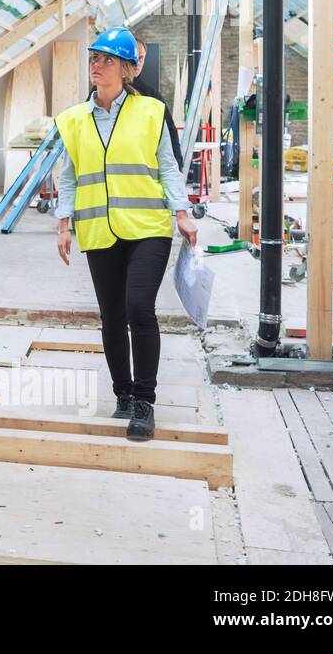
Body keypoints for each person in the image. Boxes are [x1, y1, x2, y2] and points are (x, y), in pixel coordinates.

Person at [53, 27, 199, 441]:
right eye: (94, 59)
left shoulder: (151, 111)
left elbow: (168, 167)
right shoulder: (76, 119)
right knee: (112, 316)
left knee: (139, 307)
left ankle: (144, 402)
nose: (96, 66)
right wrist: (64, 224)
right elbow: (70, 176)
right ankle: (122, 394)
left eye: (106, 60)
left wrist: (183, 213)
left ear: (126, 71)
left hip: (149, 227)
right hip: (100, 229)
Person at [131, 36, 183, 169]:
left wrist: (178, 167)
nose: (137, 62)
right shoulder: (102, 92)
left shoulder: (152, 96)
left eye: (141, 58)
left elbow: (171, 133)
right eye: (133, 56)